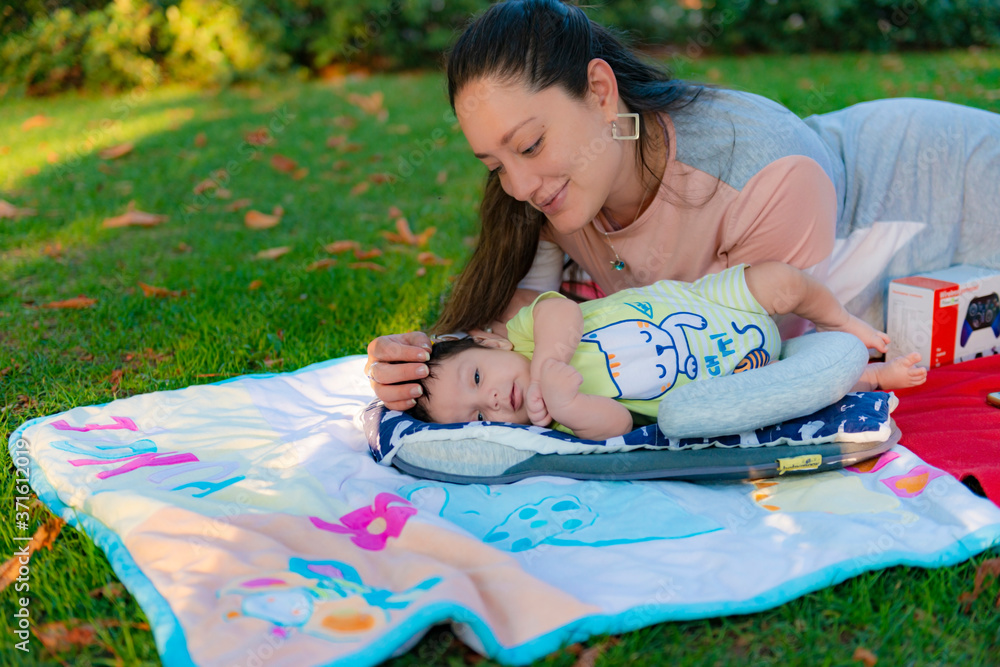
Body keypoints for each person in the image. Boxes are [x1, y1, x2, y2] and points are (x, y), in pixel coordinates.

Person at [366, 0, 1000, 412]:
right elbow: (515, 334)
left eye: (531, 144)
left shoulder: (765, 178)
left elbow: (742, 359)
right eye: (496, 165)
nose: (521, 185)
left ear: (599, 90)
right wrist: (422, 368)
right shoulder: (556, 193)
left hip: (949, 181)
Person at [406, 262, 926, 440]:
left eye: (477, 380)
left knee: (781, 282)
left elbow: (560, 310)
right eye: (477, 417)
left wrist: (548, 362)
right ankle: (870, 380)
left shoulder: (524, 333)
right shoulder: (551, 425)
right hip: (737, 373)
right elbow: (618, 426)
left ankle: (839, 319)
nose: (493, 401)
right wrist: (567, 407)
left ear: (489, 343)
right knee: (786, 392)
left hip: (713, 304)